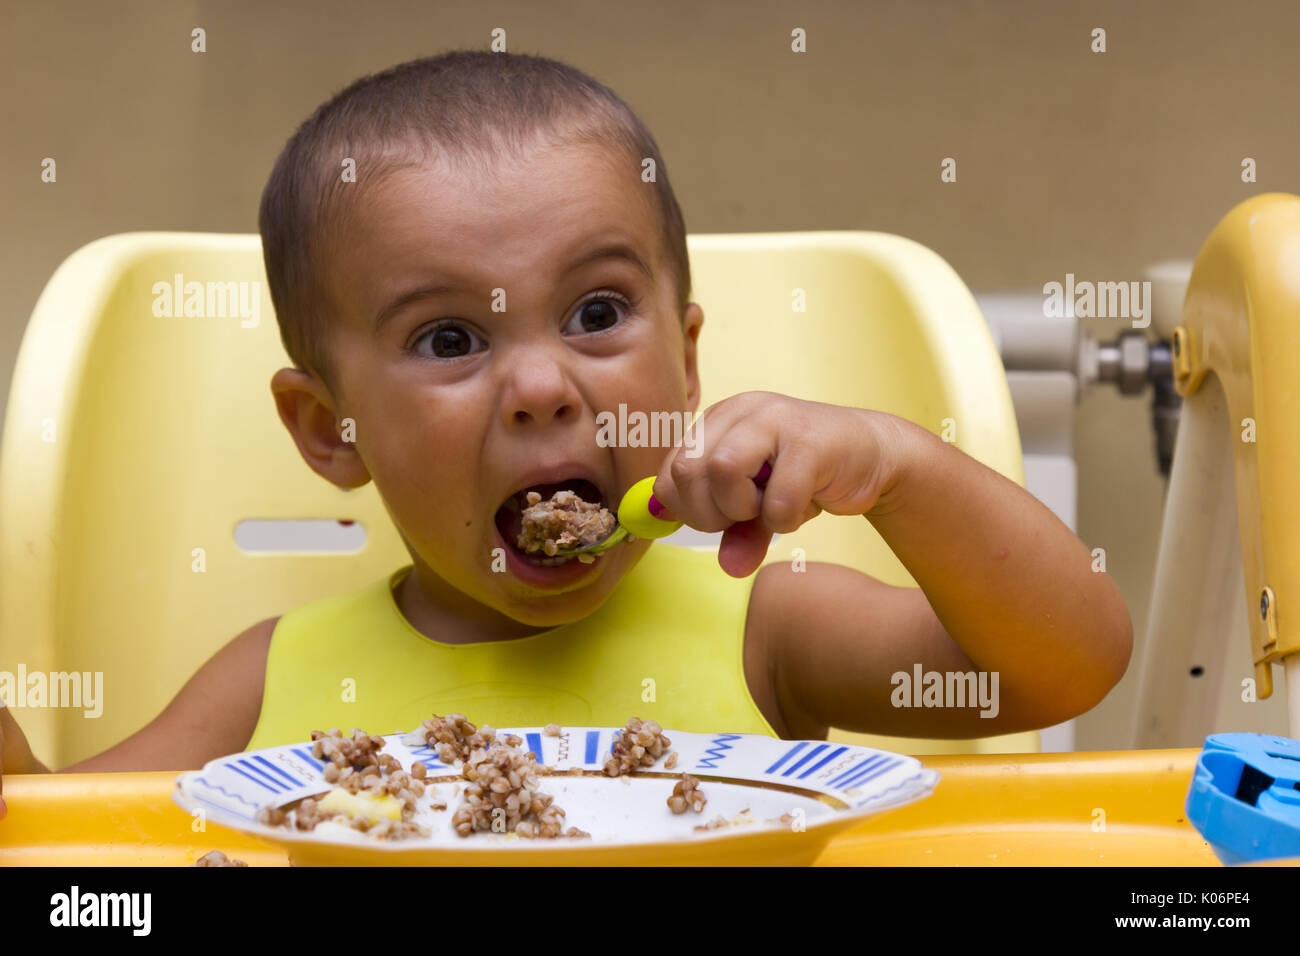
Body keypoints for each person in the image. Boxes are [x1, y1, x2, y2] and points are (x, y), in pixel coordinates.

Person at [0, 51, 1131, 818]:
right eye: (448, 338)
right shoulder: (267, 681)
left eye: (596, 314)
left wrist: (898, 465)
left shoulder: (767, 631)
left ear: (686, 363)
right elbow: (58, 841)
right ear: (328, 428)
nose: (543, 385)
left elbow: (1061, 666)